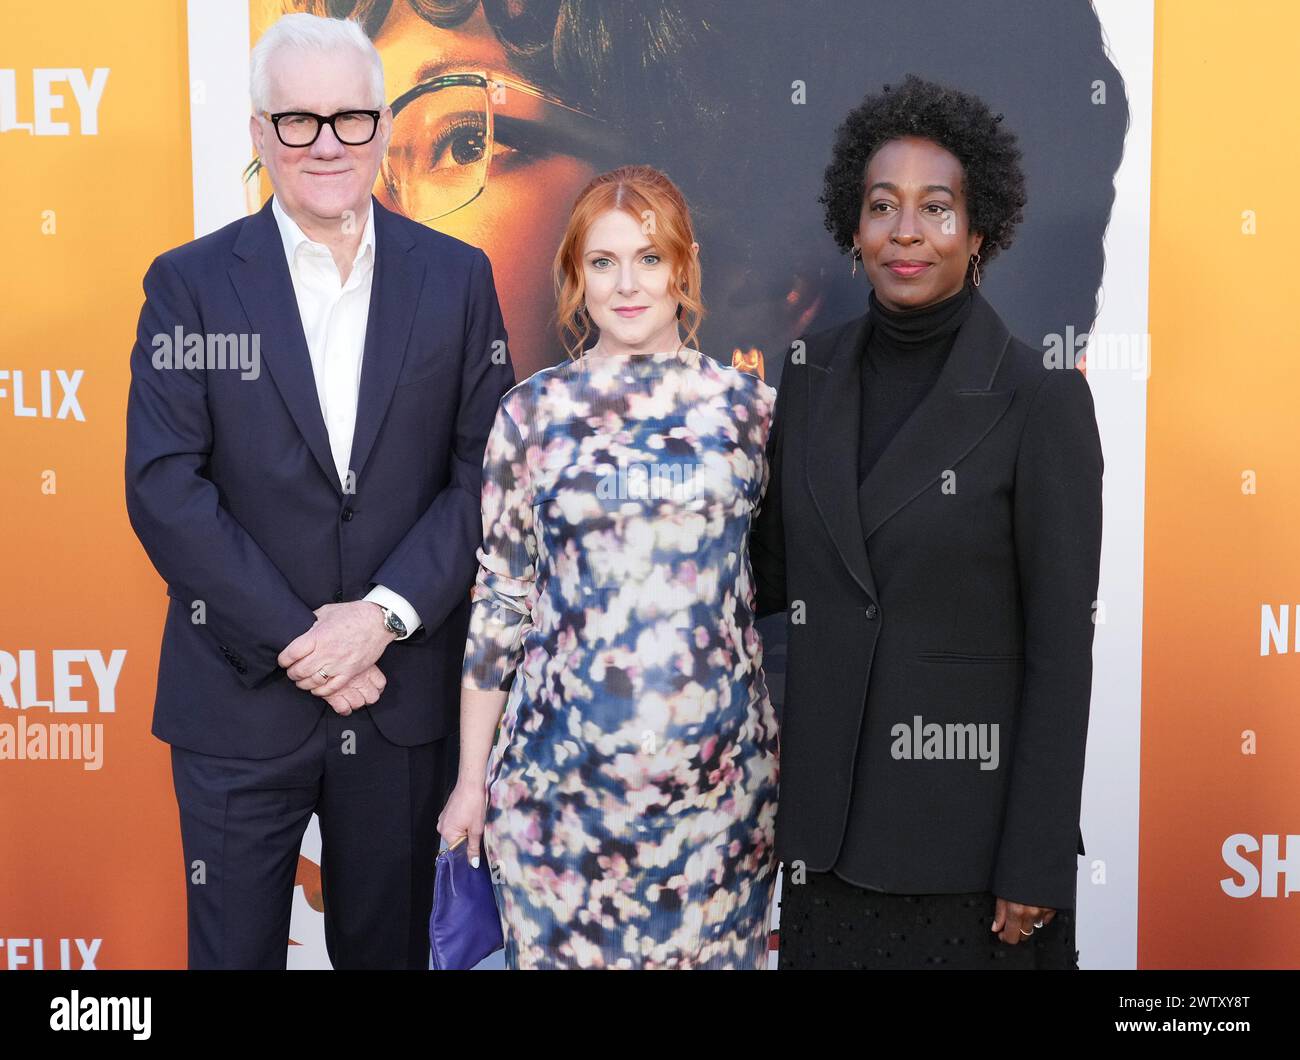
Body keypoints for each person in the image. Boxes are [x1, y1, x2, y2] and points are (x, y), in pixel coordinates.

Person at [124, 12, 513, 969]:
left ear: (382, 126)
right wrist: (308, 642)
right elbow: (165, 487)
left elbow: (487, 476)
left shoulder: (459, 280)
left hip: (400, 698)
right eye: (297, 121)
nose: (326, 143)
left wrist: (379, 618)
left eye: (349, 118)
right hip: (239, 698)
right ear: (259, 134)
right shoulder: (190, 286)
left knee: (390, 955)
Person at [751, 75, 1103, 969]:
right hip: (824, 850)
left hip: (970, 861)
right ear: (854, 228)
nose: (906, 231)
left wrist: (1035, 863)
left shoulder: (1041, 399)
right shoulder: (809, 372)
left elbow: (1062, 654)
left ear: (980, 232)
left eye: (936, 208)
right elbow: (772, 576)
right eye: (882, 207)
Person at [439, 165, 780, 969]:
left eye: (650, 258)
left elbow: (787, 588)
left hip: (719, 806)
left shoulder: (750, 413)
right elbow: (501, 600)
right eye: (603, 262)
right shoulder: (530, 414)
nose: (628, 284)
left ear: (684, 267)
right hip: (559, 804)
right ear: (574, 276)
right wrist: (469, 781)